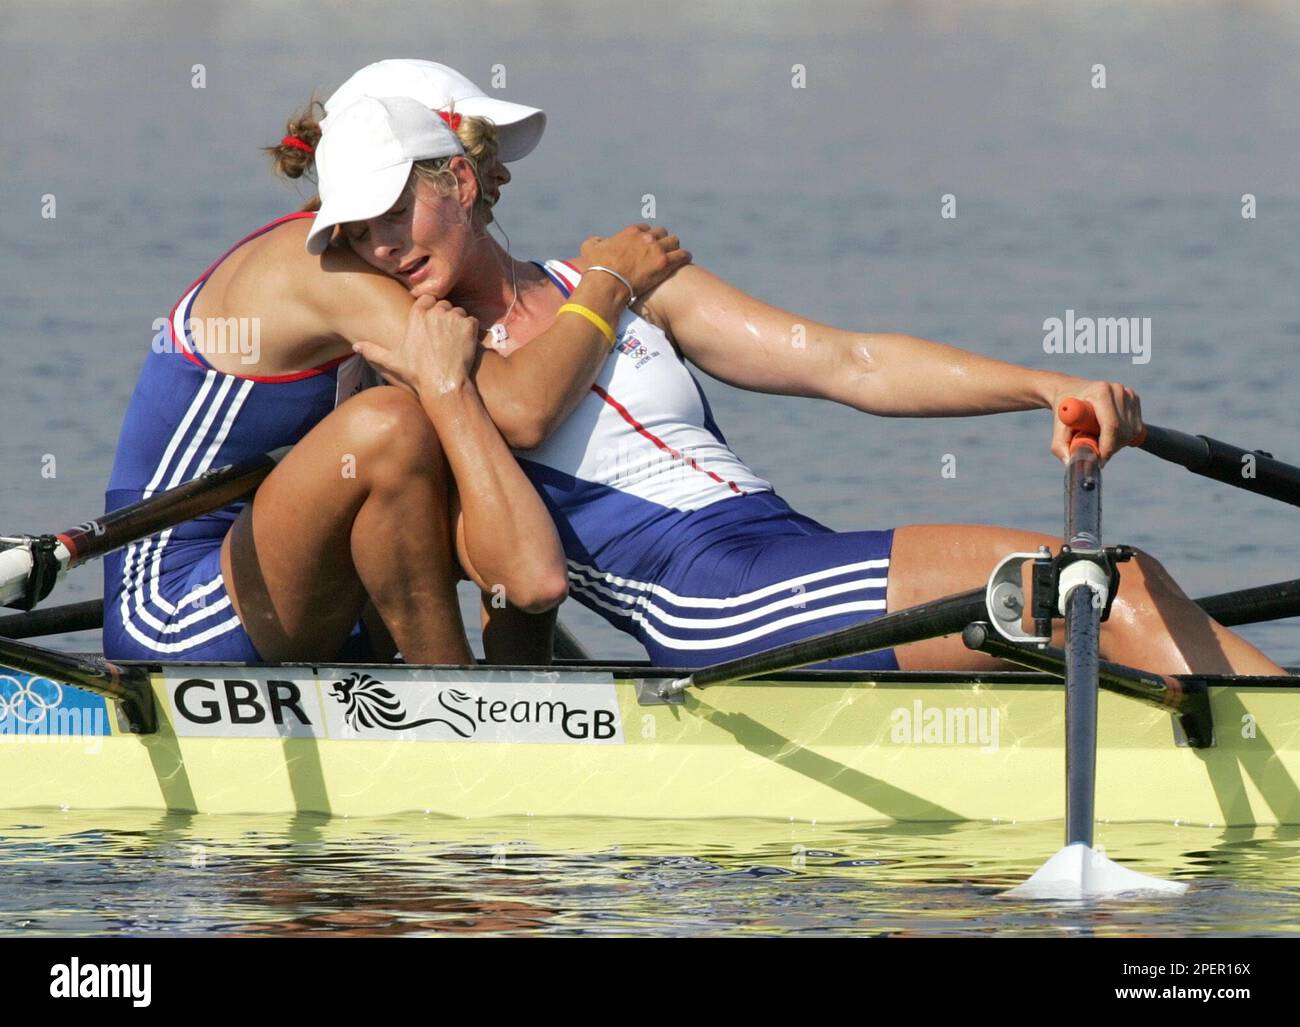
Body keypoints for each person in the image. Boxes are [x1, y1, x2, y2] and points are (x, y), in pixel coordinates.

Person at [303, 89, 1282, 677]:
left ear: (460, 187)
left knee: (1132, 583)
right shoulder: (422, 362)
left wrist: (1040, 384)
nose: (380, 247)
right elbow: (517, 579)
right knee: (1092, 588)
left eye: (392, 212)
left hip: (787, 557)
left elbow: (847, 361)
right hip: (706, 603)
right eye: (354, 235)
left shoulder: (620, 285)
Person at [101, 95, 689, 666]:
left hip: (297, 578)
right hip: (173, 603)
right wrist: (605, 283)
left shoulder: (378, 263)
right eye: (477, 147)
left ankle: (522, 688)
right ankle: (454, 706)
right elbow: (521, 408)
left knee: (475, 454)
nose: (499, 172)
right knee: (394, 425)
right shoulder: (320, 269)